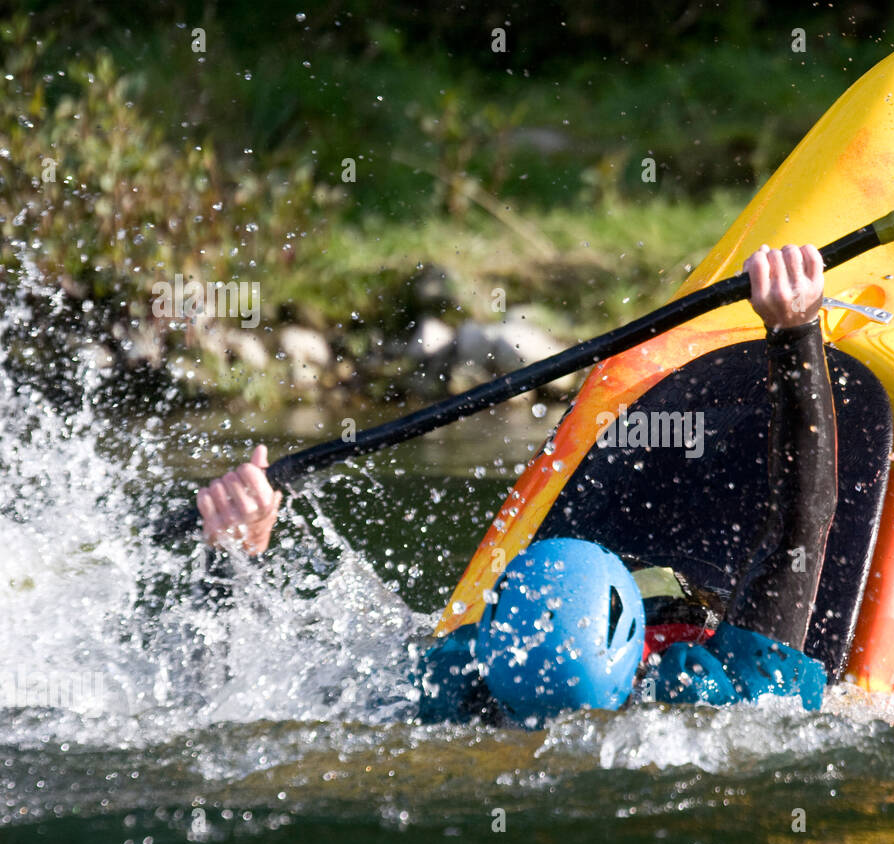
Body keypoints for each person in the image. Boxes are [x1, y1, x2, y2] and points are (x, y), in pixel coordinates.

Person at [197, 244, 839, 726]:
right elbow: (802, 523)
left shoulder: (454, 685)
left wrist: (235, 555)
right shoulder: (729, 690)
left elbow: (242, 697)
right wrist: (797, 331)